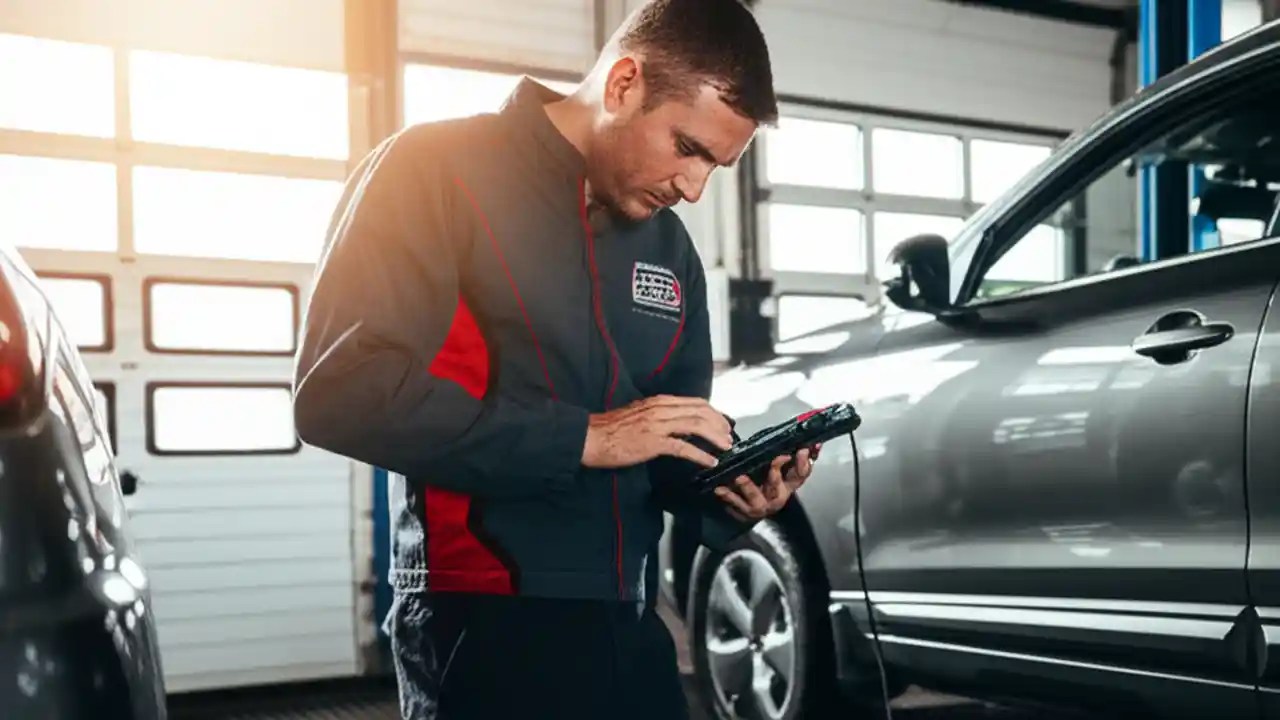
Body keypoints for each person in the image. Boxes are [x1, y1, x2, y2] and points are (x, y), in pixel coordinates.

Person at [292, 0, 818, 717]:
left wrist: (730, 490)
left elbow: (664, 446)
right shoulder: (433, 171)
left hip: (629, 625)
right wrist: (584, 437)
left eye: (717, 168)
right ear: (624, 83)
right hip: (482, 622)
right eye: (688, 149)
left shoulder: (670, 250)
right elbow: (340, 392)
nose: (693, 190)